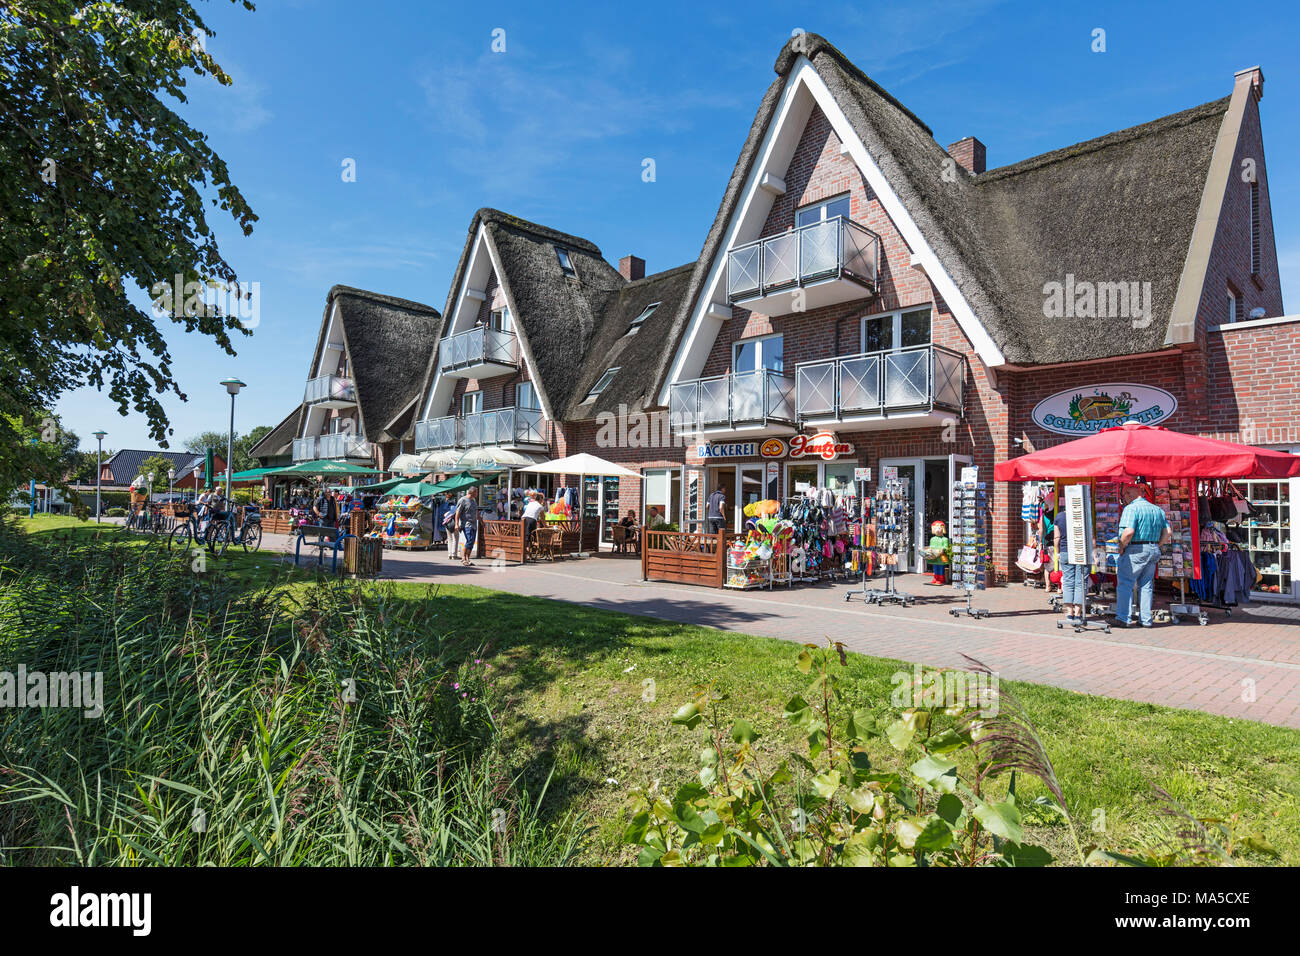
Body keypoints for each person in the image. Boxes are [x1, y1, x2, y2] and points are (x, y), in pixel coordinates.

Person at [1113, 480, 1171, 628]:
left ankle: (1123, 618)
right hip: (1152, 549)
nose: (1124, 498)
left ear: (1129, 493)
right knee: (1146, 585)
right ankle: (1145, 619)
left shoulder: (1131, 509)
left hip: (1135, 550)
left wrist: (1121, 546)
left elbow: (1129, 531)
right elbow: (1168, 532)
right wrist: (1157, 544)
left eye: (1124, 494)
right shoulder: (1157, 510)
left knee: (1125, 583)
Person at [1053, 500, 1086, 621]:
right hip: (1081, 552)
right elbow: (1091, 536)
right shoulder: (1083, 515)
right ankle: (1078, 613)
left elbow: (1056, 538)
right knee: (1080, 582)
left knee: (1067, 582)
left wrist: (1057, 553)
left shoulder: (1060, 517)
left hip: (1065, 551)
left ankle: (1069, 612)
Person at [454, 486, 480, 567]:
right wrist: (456, 524)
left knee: (471, 542)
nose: (477, 494)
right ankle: (463, 558)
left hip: (474, 524)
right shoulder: (463, 500)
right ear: (472, 492)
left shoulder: (474, 500)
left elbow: (476, 512)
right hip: (466, 525)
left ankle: (468, 558)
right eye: (476, 492)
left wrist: (481, 521)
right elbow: (457, 513)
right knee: (469, 540)